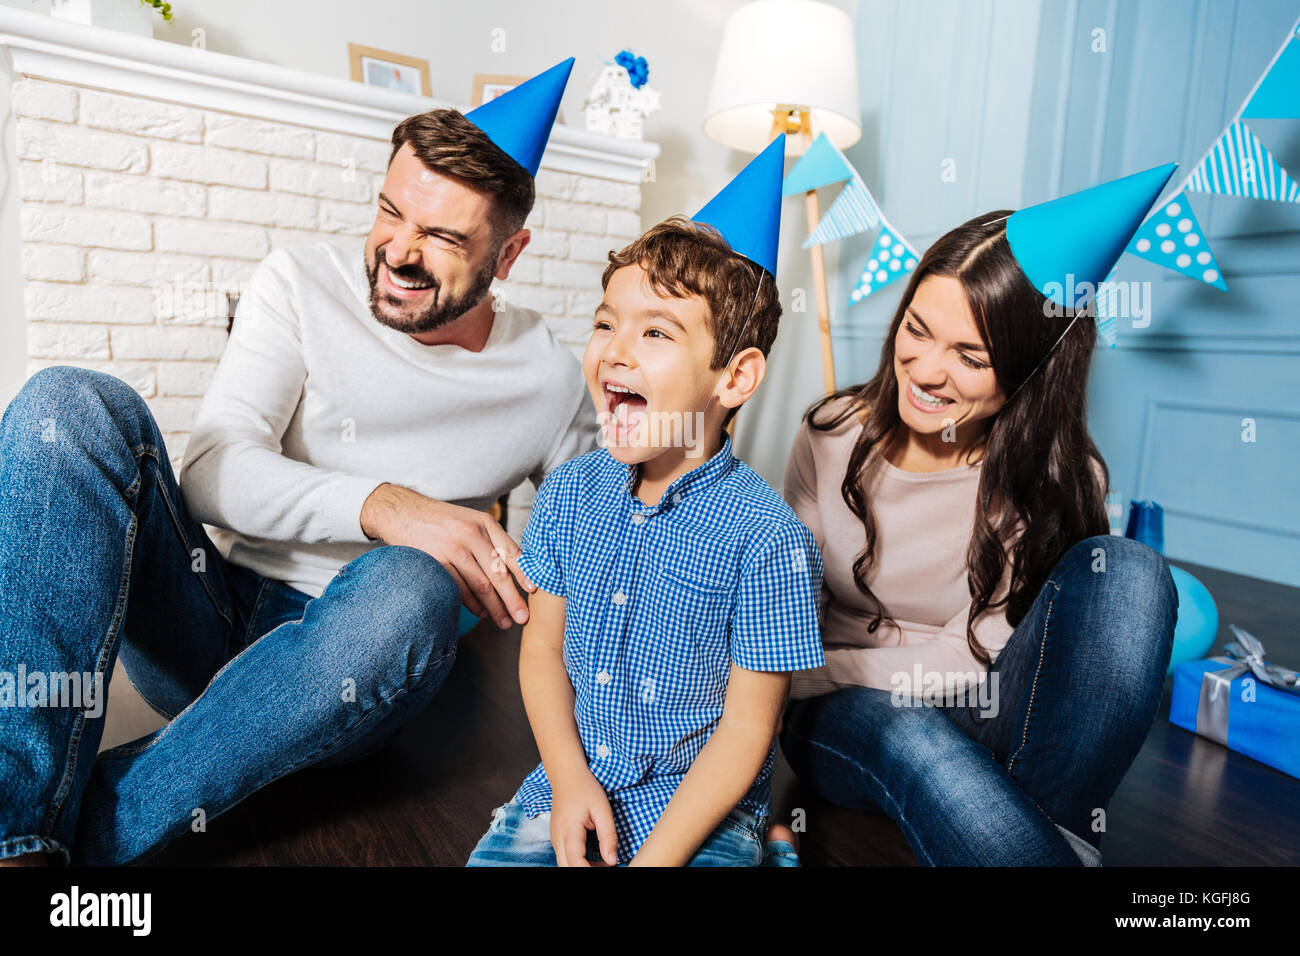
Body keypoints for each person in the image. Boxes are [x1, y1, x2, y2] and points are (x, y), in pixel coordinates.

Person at [0, 59, 597, 866]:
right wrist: (387, 504)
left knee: (413, 582)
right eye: (391, 211)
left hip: (353, 671)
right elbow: (211, 471)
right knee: (65, 403)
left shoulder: (550, 379)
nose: (400, 251)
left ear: (510, 252)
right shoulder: (300, 282)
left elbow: (596, 556)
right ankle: (18, 820)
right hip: (214, 615)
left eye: (445, 238)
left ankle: (46, 845)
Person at [777, 164, 1183, 865]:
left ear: (1028, 372)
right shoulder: (830, 432)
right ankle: (1041, 836)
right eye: (917, 329)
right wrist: (801, 680)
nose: (927, 370)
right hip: (843, 711)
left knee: (1132, 572)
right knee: (910, 736)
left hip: (974, 694)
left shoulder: (1055, 477)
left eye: (970, 355)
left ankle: (1033, 831)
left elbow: (981, 655)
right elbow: (783, 608)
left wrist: (822, 668)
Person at [466, 138, 823, 867]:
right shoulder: (568, 492)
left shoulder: (770, 540)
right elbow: (542, 648)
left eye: (655, 332)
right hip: (569, 789)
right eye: (606, 323)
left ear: (734, 376)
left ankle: (773, 853)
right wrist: (567, 781)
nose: (615, 351)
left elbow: (747, 731)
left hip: (700, 816)